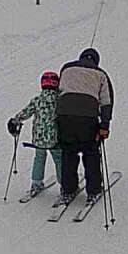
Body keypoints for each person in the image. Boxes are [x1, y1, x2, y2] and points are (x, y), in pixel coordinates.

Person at [56, 48, 113, 204]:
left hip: (65, 116)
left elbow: (59, 91)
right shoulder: (101, 74)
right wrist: (104, 126)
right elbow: (106, 102)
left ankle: (68, 190)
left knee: (68, 152)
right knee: (91, 153)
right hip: (87, 118)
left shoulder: (66, 68)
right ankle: (94, 190)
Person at [8, 71, 62, 200]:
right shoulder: (59, 100)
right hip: (55, 138)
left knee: (39, 157)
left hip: (39, 138)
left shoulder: (37, 100)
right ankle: (64, 185)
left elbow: (26, 112)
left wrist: (15, 120)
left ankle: (36, 183)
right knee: (59, 160)